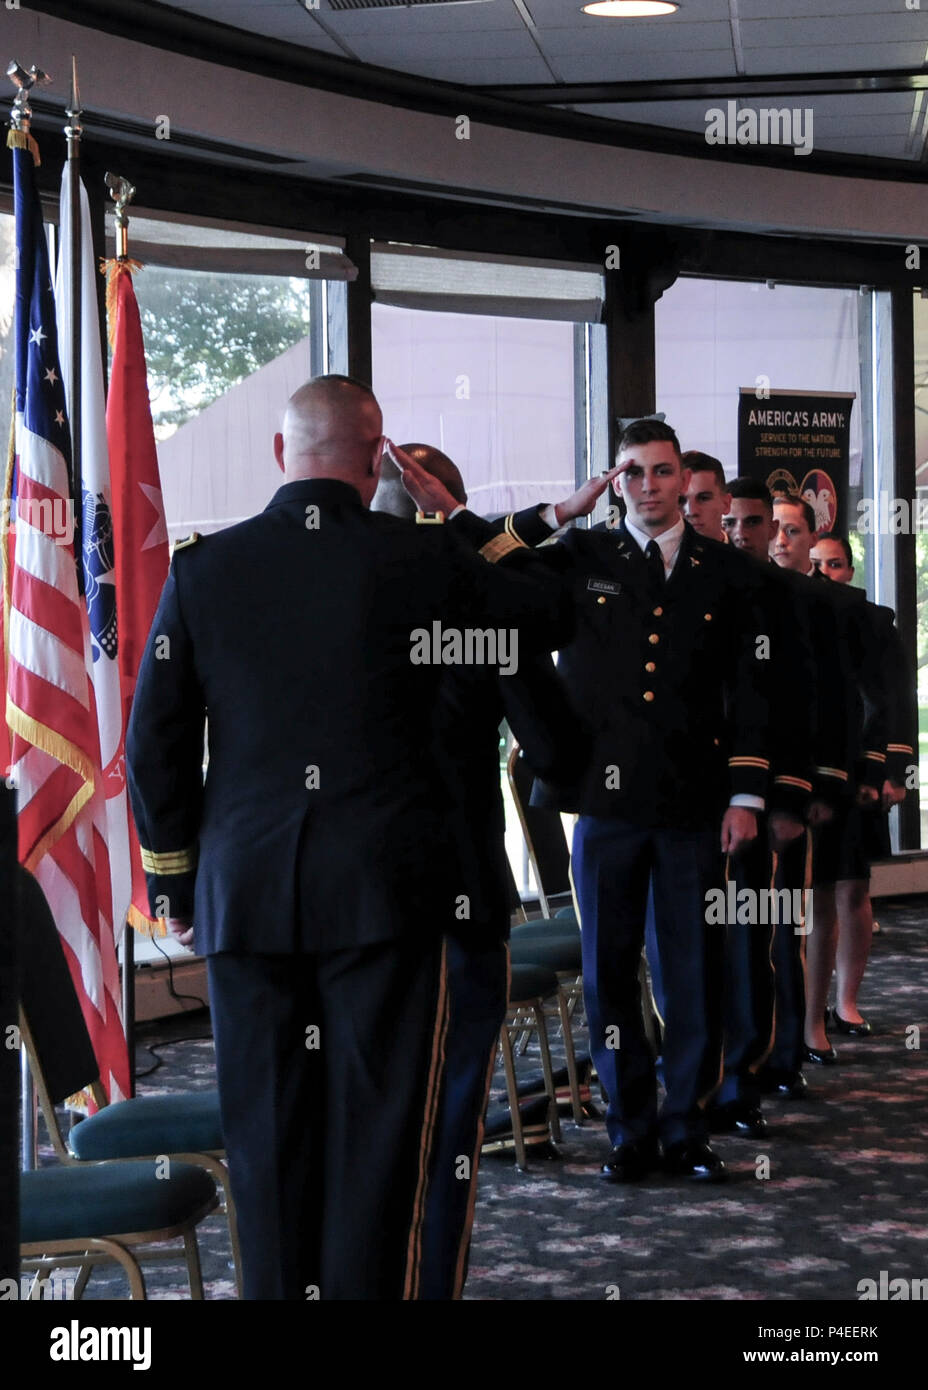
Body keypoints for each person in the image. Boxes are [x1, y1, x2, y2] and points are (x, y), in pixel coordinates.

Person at [126, 375, 572, 1301]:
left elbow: (155, 745)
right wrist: (465, 523)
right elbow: (550, 613)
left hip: (248, 904)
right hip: (387, 900)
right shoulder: (425, 561)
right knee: (377, 1148)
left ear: (282, 455)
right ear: (378, 465)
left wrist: (173, 878)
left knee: (267, 1143)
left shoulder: (206, 569)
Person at [370, 441, 599, 1300]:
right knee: (450, 1118)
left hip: (336, 912)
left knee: (353, 1118)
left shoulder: (302, 597)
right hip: (459, 898)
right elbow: (558, 750)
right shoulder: (485, 609)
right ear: (446, 515)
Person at [530, 419, 776, 1183]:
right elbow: (486, 566)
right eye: (631, 472)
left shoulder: (728, 573)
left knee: (694, 970)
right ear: (615, 481)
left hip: (694, 805)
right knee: (608, 975)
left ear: (683, 479)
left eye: (662, 471)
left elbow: (756, 693)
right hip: (605, 809)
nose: (648, 486)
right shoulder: (582, 556)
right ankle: (628, 1129)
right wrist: (558, 514)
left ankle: (686, 1128)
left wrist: (746, 794)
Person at [722, 480, 849, 1099]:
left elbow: (816, 702)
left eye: (753, 522)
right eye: (732, 521)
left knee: (774, 931)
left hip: (776, 796)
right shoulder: (697, 586)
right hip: (702, 797)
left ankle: (781, 1053)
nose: (740, 532)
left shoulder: (800, 599)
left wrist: (801, 792)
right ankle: (723, 1064)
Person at [769, 495, 885, 1064]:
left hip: (827, 778)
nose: (782, 540)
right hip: (764, 780)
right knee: (766, 909)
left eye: (793, 530)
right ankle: (773, 1023)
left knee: (825, 896)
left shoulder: (842, 608)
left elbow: (861, 699)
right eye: (777, 529)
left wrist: (841, 777)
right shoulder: (750, 596)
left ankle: (817, 1019)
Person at [807, 531, 914, 1035]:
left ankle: (846, 1001)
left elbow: (895, 697)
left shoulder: (873, 620)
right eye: (817, 564)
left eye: (835, 565)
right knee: (811, 893)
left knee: (850, 884)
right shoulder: (785, 611)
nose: (825, 573)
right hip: (802, 775)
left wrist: (894, 771)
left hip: (859, 771)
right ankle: (805, 1007)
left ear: (850, 571)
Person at [682, 452, 732, 544]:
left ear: (726, 504)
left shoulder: (750, 557)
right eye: (681, 501)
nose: (691, 511)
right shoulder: (655, 557)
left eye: (703, 498)